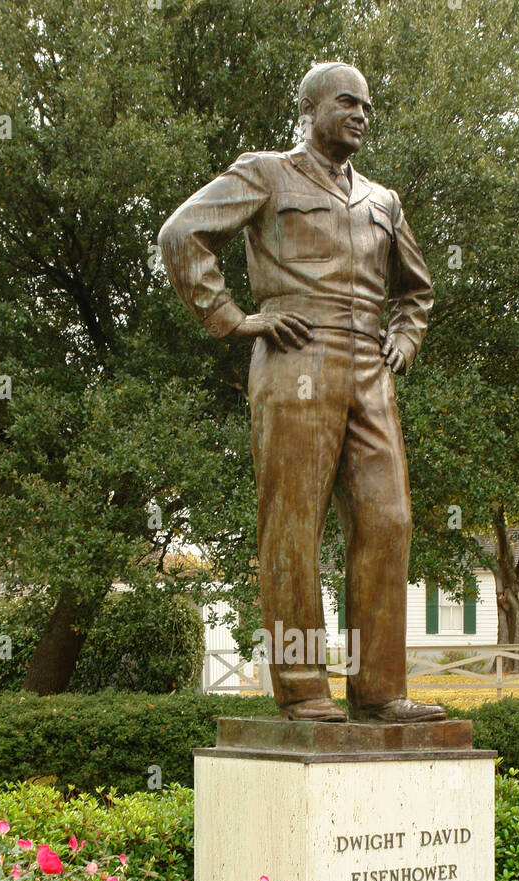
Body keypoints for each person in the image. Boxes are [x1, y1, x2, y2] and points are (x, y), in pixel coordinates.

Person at [159, 61, 446, 723]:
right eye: (348, 103)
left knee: (389, 520)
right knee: (293, 527)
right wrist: (232, 319)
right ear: (311, 108)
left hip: (369, 366)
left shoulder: (384, 201)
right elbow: (182, 234)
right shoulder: (265, 173)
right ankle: (304, 691)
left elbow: (416, 291)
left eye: (368, 107)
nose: (361, 115)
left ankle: (379, 690)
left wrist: (403, 341)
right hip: (294, 357)